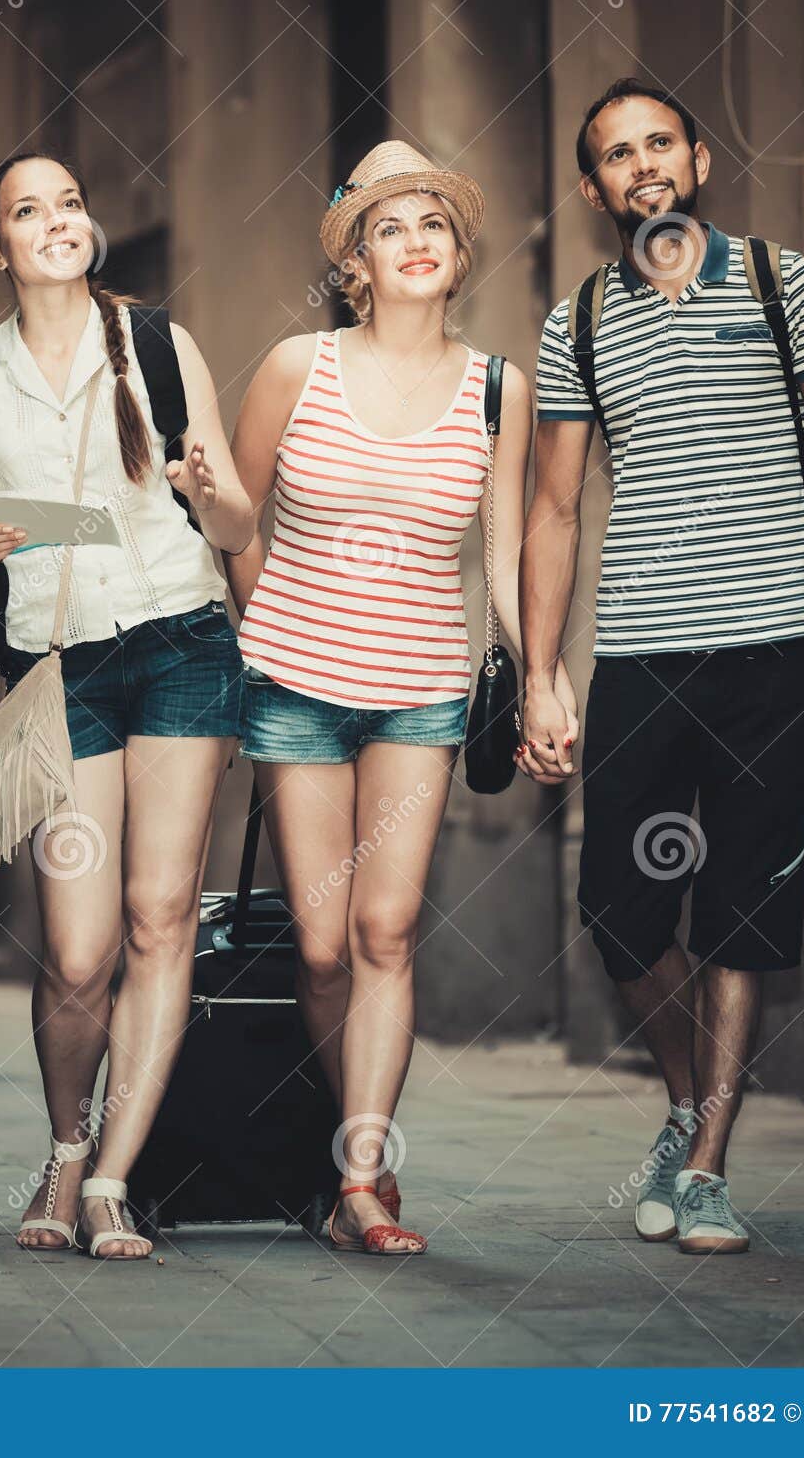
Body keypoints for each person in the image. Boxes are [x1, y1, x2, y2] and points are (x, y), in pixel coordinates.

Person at [522, 79, 804, 1254]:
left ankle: (709, 1168)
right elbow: (550, 509)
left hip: (776, 641)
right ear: (593, 189)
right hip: (639, 646)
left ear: (699, 157)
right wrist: (541, 669)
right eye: (616, 155)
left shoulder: (785, 284)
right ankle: (688, 1105)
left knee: (744, 902)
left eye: (658, 144)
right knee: (618, 908)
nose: (642, 165)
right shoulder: (574, 321)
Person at [226, 141, 573, 1256]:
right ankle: (348, 1139)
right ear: (357, 262)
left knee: (384, 929)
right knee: (322, 944)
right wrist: (261, 632)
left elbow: (509, 543)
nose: (415, 240)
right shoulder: (296, 365)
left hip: (420, 688)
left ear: (458, 253)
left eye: (432, 223)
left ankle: (361, 1175)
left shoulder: (496, 387)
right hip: (295, 687)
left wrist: (542, 674)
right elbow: (233, 518)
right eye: (389, 226)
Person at [0, 152, 255, 1260]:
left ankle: (112, 1173)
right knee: (76, 948)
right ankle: (63, 1146)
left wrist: (209, 490)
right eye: (28, 208)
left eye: (69, 202)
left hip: (181, 642)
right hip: (49, 665)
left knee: (163, 919)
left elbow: (236, 522)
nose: (57, 220)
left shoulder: (158, 343)